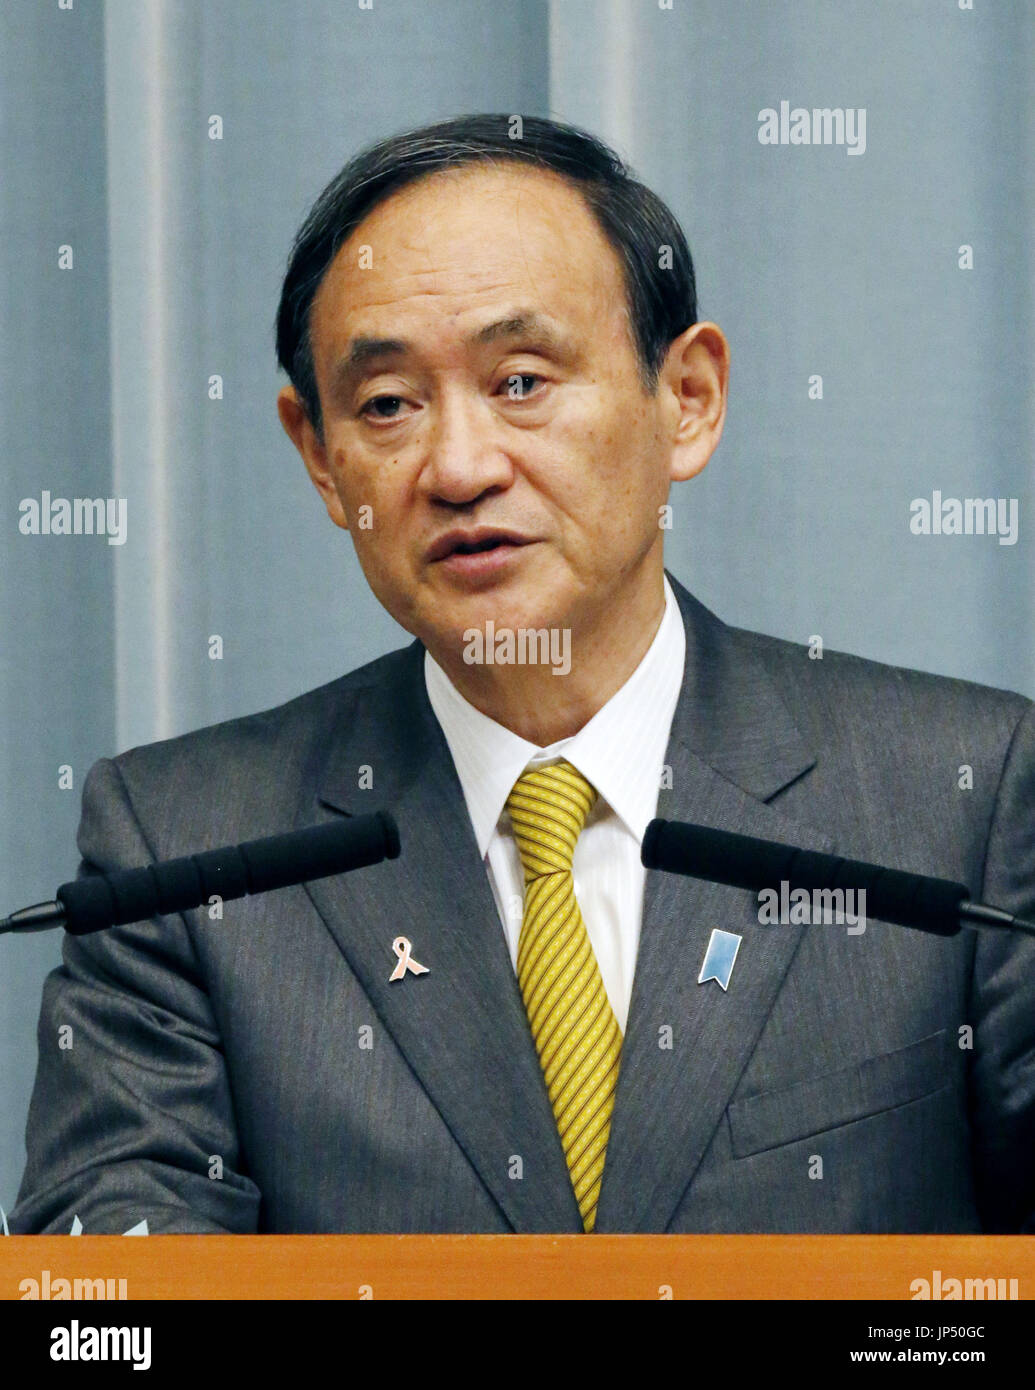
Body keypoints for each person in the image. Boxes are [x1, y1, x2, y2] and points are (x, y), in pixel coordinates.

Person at [11, 114, 1035, 1236]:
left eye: (522, 380)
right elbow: (114, 1310)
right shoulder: (183, 848)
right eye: (388, 405)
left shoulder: (956, 803)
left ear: (686, 397)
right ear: (318, 454)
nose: (458, 467)